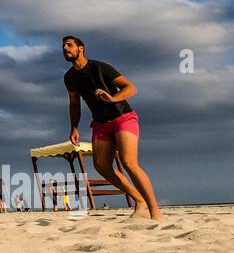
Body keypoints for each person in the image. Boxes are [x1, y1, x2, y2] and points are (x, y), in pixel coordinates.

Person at [62, 35, 164, 220]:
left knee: (129, 163)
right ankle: (138, 200)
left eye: (69, 45)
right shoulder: (69, 77)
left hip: (123, 118)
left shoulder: (100, 67)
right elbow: (74, 104)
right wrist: (74, 128)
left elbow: (131, 88)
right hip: (100, 123)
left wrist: (113, 98)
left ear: (81, 48)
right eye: (63, 46)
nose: (65, 48)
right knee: (101, 165)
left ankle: (154, 210)